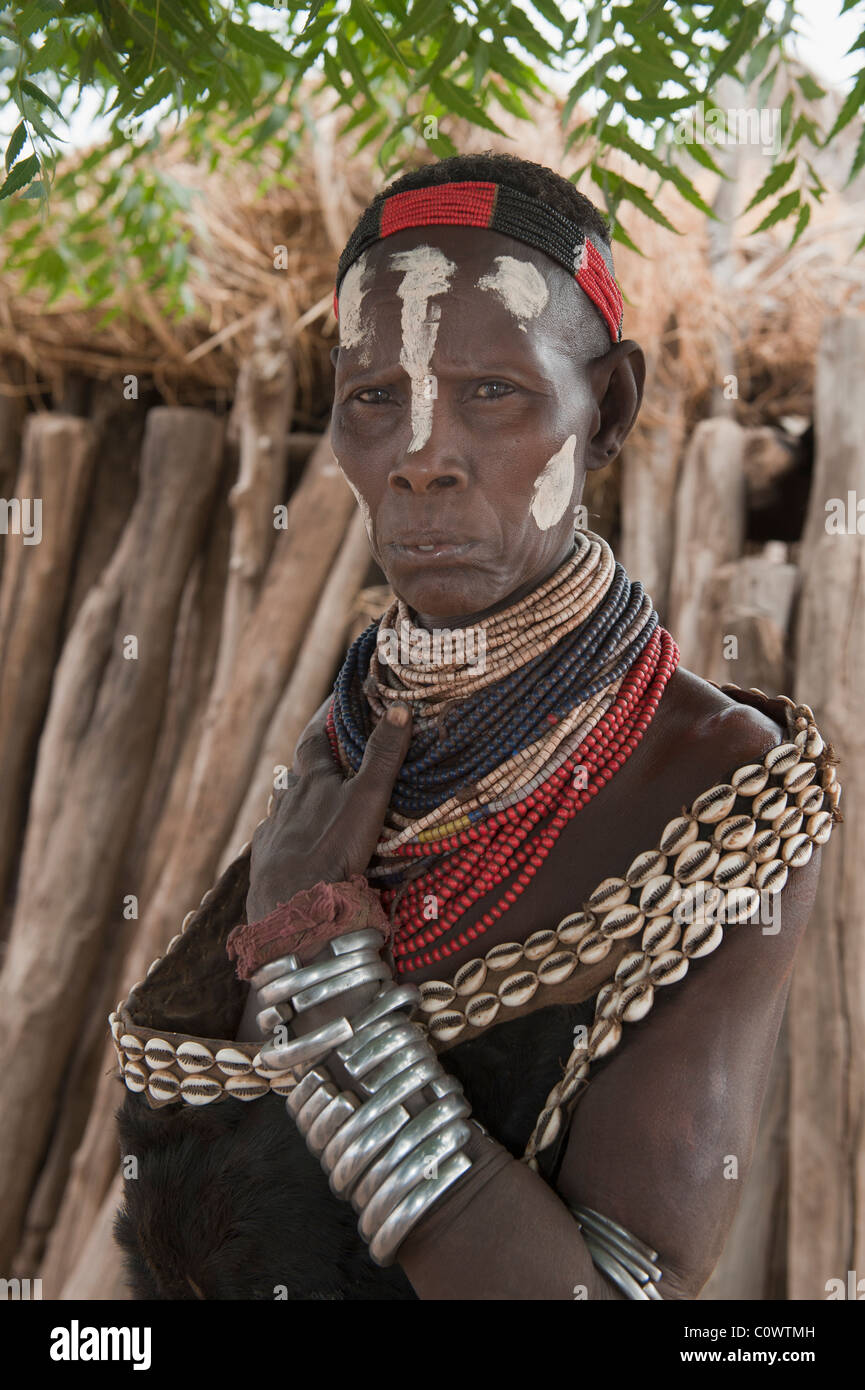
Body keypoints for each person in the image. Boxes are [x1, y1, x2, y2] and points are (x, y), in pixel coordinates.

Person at [111, 152, 842, 1301]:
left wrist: (327, 988)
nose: (420, 459)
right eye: (373, 400)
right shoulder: (350, 744)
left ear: (605, 409)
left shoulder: (729, 795)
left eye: (491, 392)